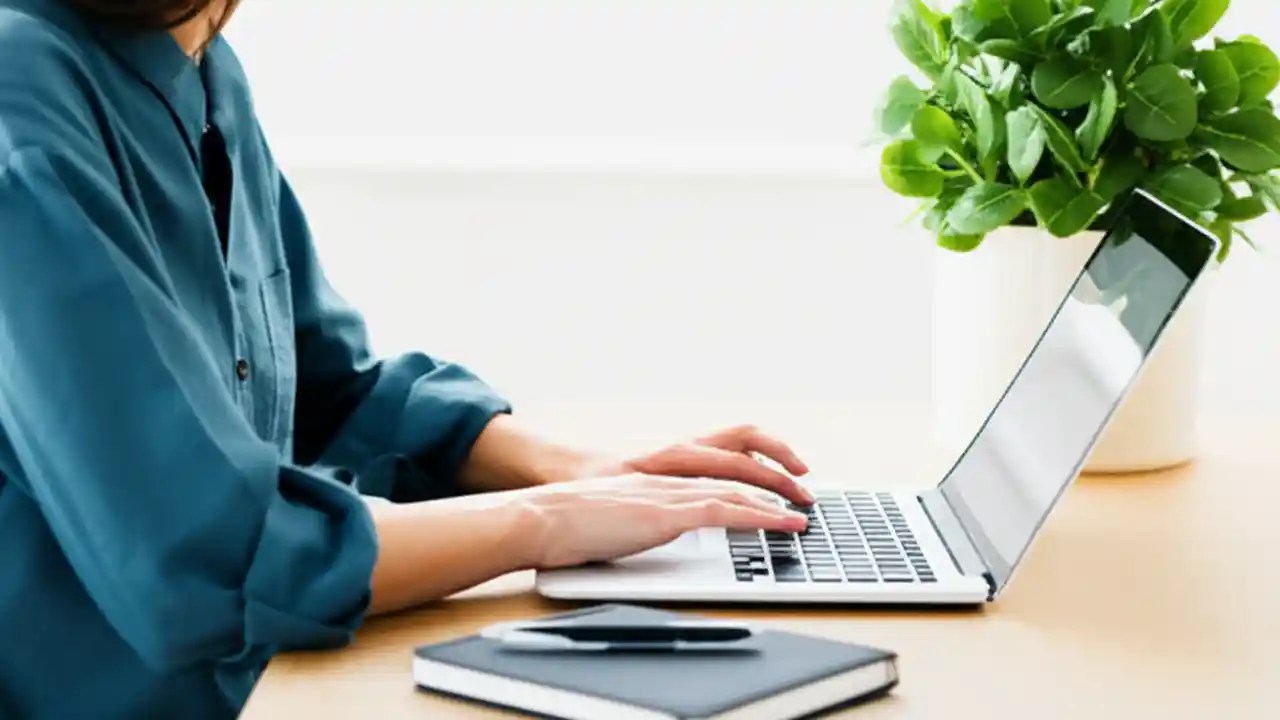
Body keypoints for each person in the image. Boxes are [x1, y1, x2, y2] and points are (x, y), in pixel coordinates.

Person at [0, 1, 815, 718]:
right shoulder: (22, 83)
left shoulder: (200, 62)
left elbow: (329, 395)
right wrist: (547, 523)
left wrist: (586, 470)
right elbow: (207, 558)